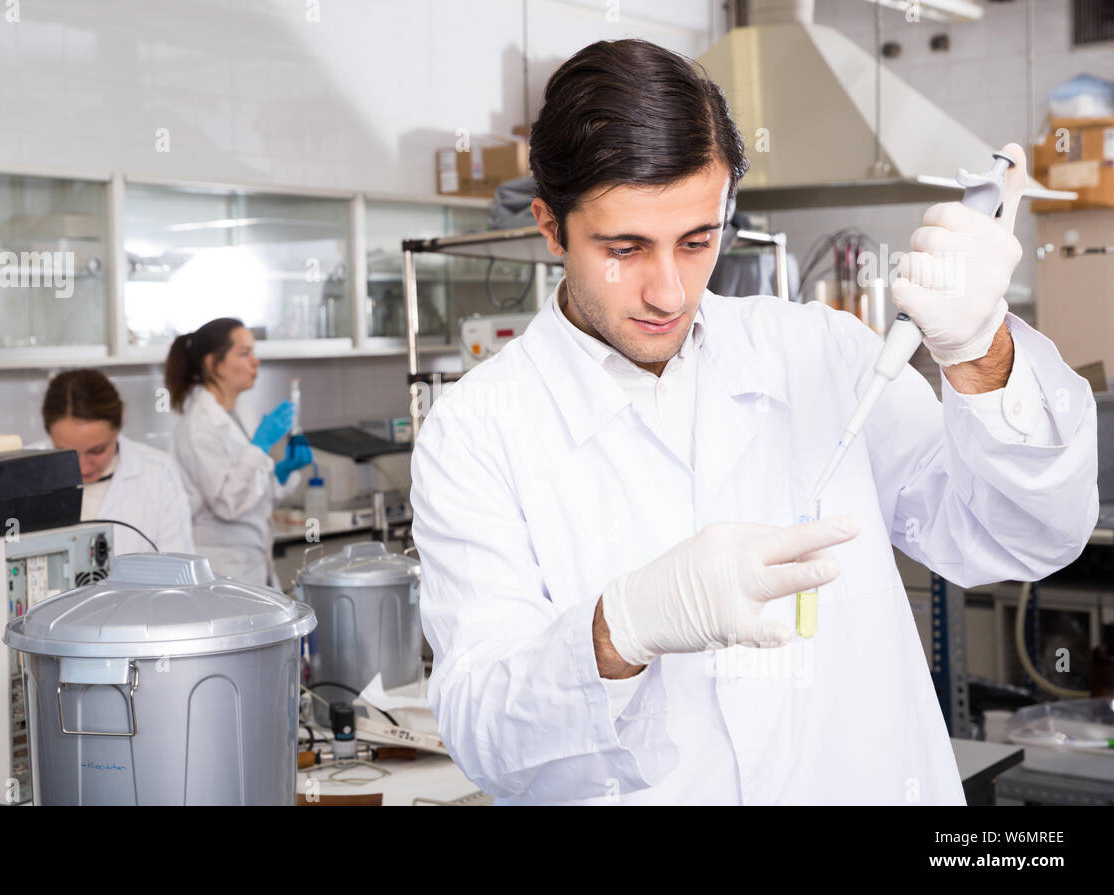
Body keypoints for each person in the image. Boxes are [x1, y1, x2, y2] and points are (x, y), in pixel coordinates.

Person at [409, 39, 1098, 805]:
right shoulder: (475, 431)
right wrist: (622, 627)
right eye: (624, 247)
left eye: (698, 241)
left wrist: (980, 352)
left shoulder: (820, 353)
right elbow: (481, 733)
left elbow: (1020, 535)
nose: (668, 291)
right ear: (549, 226)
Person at [166, 317, 312, 586]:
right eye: (244, 353)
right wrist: (259, 447)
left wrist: (280, 473)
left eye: (253, 352)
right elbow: (227, 504)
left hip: (254, 560)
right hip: (220, 567)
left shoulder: (240, 412)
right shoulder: (198, 425)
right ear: (213, 364)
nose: (255, 361)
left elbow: (252, 495)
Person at [36, 368, 194, 557]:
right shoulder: (23, 475)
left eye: (97, 450)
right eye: (65, 453)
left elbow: (177, 564)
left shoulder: (157, 472)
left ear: (118, 424)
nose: (82, 466)